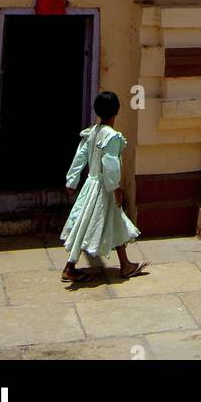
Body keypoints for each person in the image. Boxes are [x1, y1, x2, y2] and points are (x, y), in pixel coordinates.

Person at [60, 90, 146, 283]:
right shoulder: (113, 137)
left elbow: (80, 156)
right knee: (87, 225)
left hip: (91, 185)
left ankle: (125, 265)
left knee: (113, 222)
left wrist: (72, 180)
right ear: (117, 111)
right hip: (103, 189)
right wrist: (115, 188)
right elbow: (110, 163)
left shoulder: (92, 132)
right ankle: (70, 267)